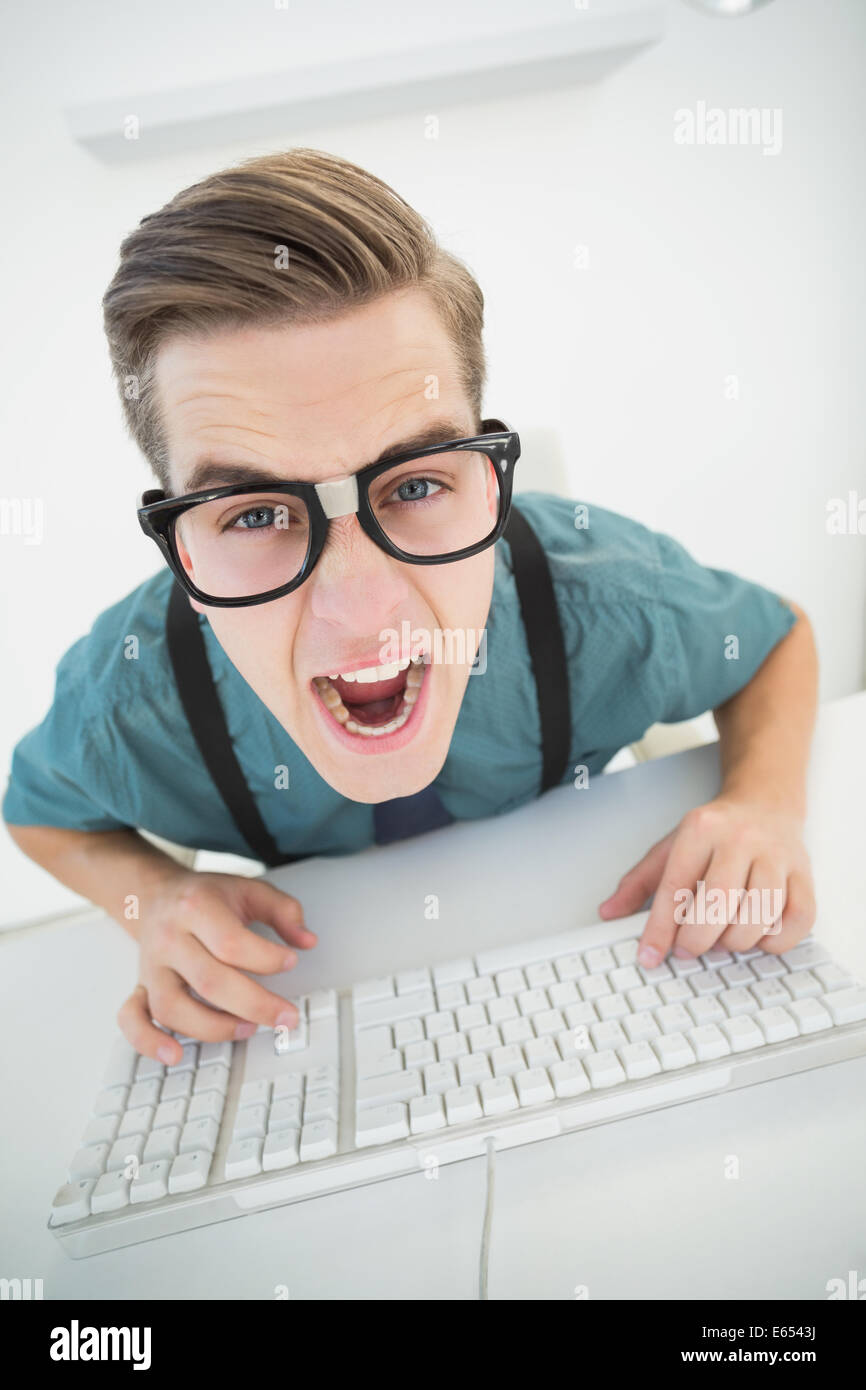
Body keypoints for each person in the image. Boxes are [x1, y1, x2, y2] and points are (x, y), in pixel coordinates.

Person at [2, 149, 818, 1066]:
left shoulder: (604, 596)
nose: (362, 612)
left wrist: (765, 801)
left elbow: (776, 637)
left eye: (417, 483)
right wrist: (149, 897)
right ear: (184, 549)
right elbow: (38, 813)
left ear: (488, 484)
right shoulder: (130, 702)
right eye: (258, 513)